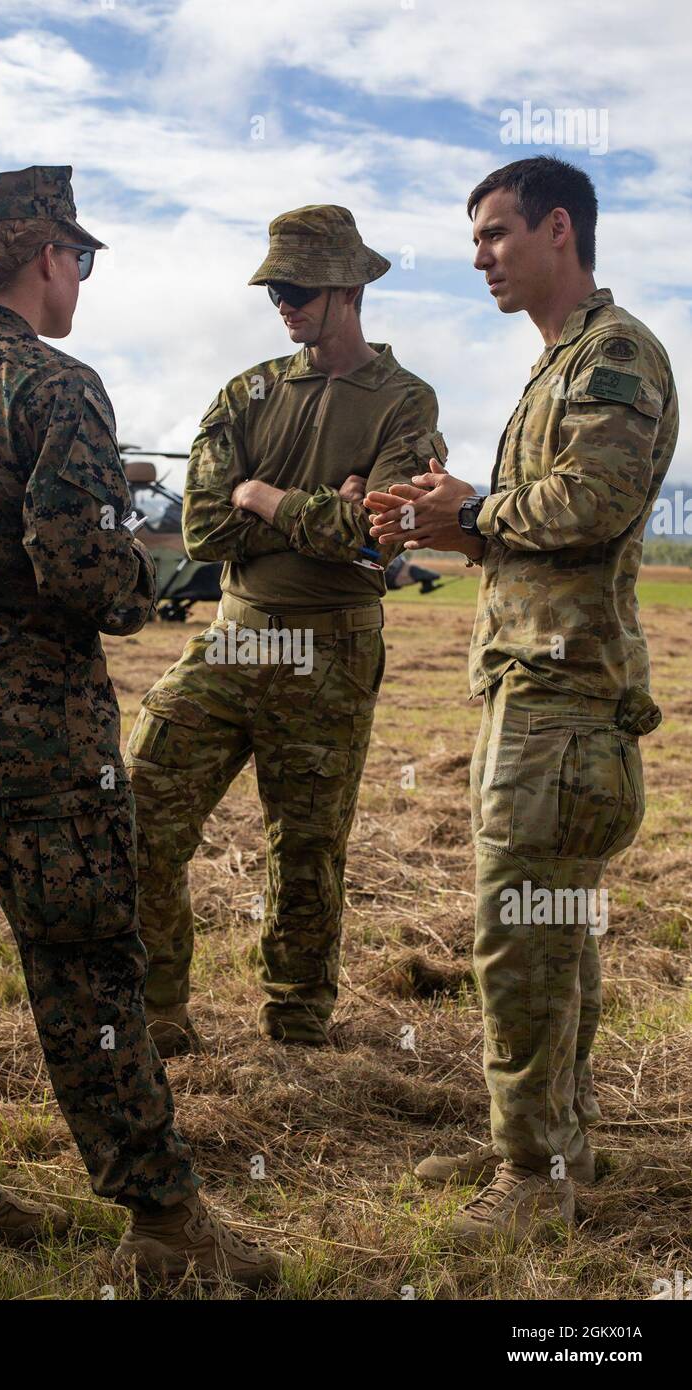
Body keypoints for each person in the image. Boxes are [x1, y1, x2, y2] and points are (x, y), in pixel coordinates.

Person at [0, 164, 280, 1286]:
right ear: (45, 257)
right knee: (88, 973)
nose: (78, 277)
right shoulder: (57, 387)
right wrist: (145, 588)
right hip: (39, 749)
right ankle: (166, 1227)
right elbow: (80, 563)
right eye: (77, 258)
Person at [365, 156, 677, 1249]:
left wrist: (476, 506)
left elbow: (588, 504)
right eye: (472, 239)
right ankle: (553, 1142)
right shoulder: (554, 365)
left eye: (495, 233)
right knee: (555, 934)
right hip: (533, 694)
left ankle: (529, 1180)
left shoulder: (614, 354)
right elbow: (524, 525)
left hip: (563, 704)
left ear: (557, 229)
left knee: (519, 934)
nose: (478, 256)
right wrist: (442, 523)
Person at [125, 204, 446, 1054]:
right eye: (274, 289)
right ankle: (159, 1013)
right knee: (141, 806)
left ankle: (295, 1028)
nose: (283, 304)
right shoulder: (246, 391)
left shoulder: (404, 401)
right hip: (233, 634)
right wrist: (317, 510)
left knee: (305, 851)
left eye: (299, 288)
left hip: (330, 646)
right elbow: (202, 528)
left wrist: (261, 495)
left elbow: (377, 534)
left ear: (348, 288)